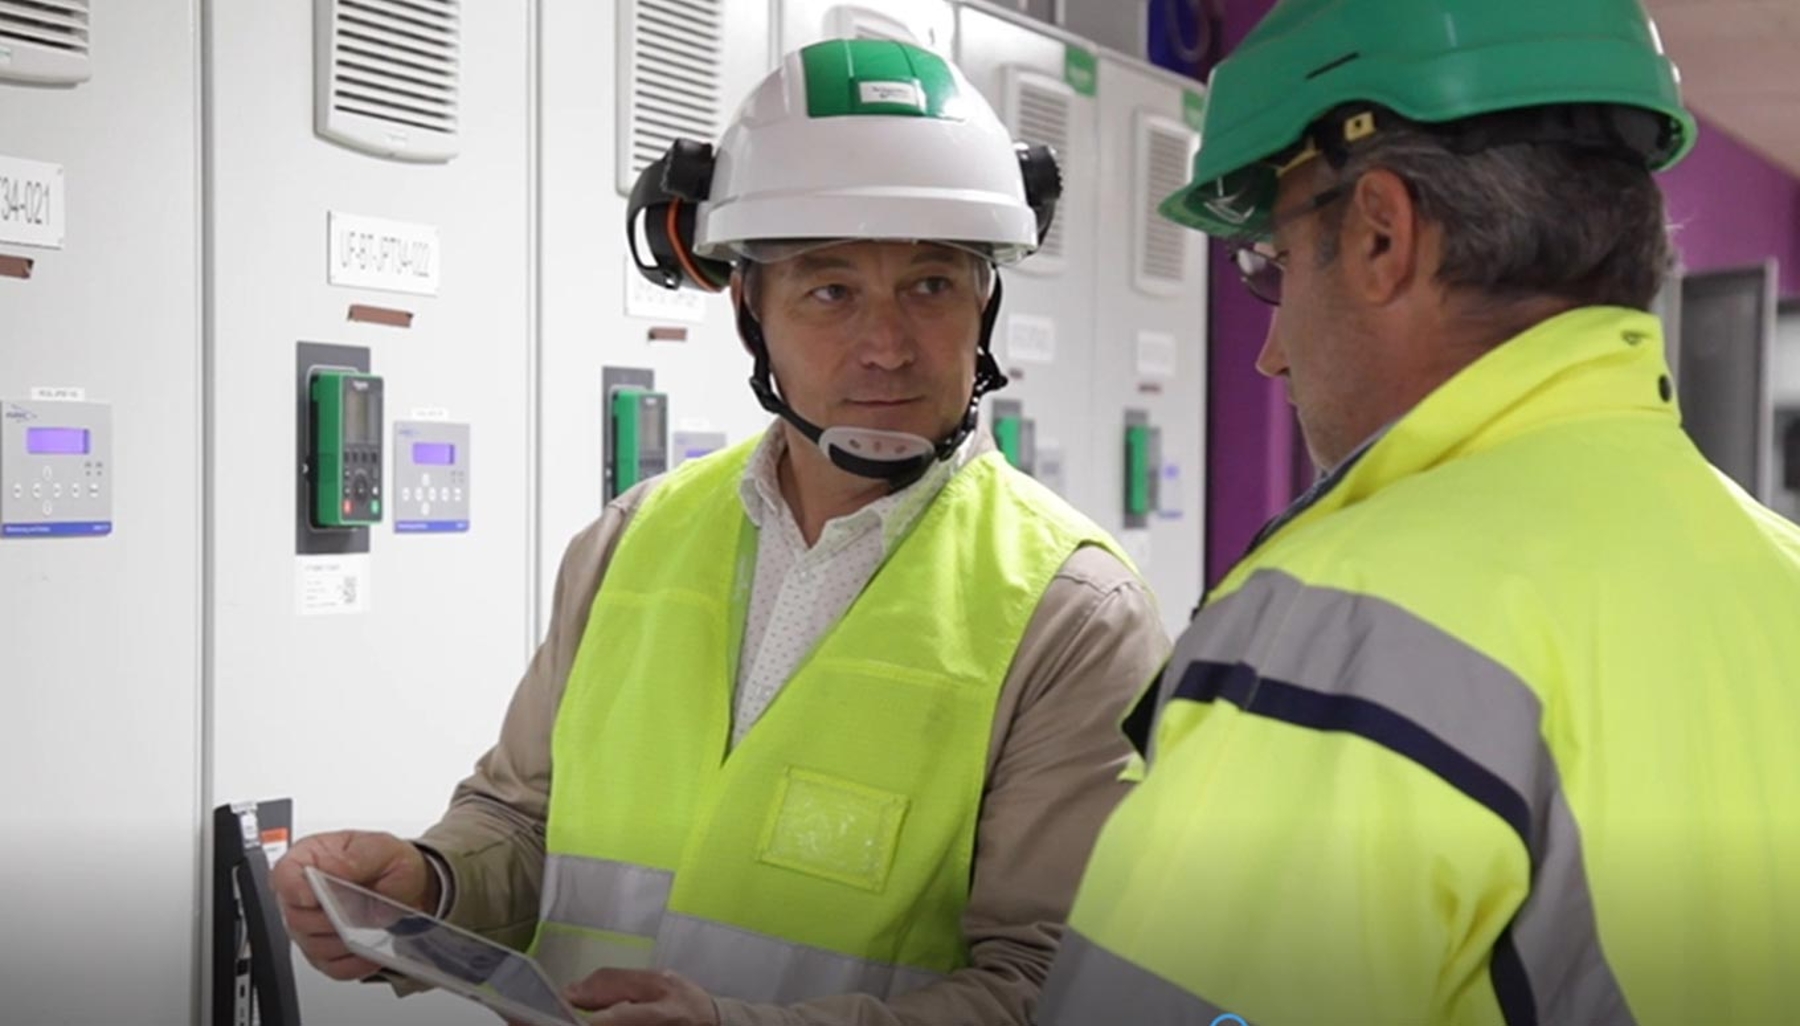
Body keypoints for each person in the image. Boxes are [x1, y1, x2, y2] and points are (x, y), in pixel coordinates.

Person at [273, 38, 1169, 1026]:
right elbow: (523, 819)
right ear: (751, 309)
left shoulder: (1071, 612)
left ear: (982, 303)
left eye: (931, 286)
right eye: (831, 292)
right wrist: (428, 885)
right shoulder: (631, 541)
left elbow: (1054, 987)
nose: (887, 346)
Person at [1037, 1, 1800, 1024]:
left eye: (1272, 266)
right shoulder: (1778, 572)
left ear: (1381, 235)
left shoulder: (1346, 626)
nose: (1270, 354)